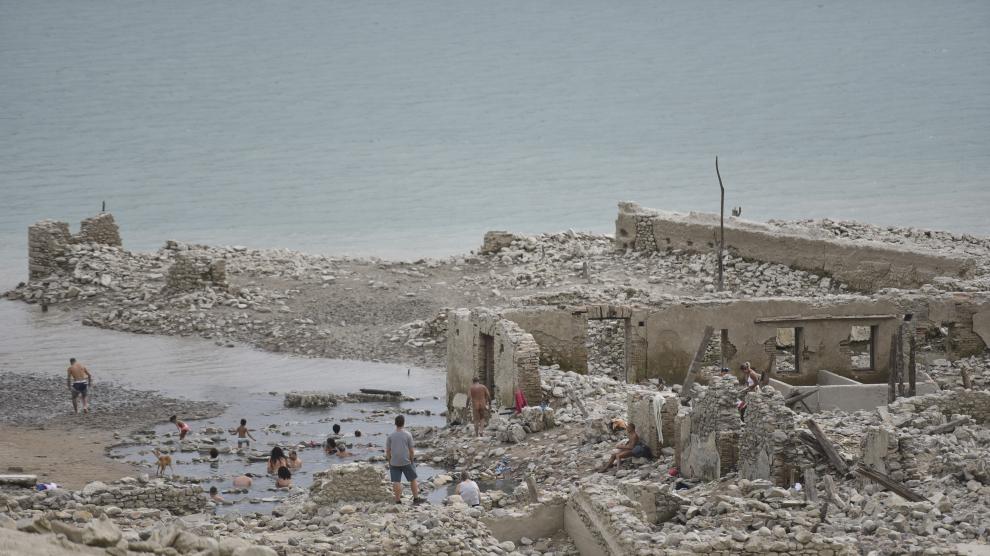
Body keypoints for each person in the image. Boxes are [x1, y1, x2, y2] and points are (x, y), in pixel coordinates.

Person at [385, 415, 424, 505]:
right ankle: (416, 498)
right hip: (406, 461)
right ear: (403, 423)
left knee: (396, 481)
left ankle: (398, 501)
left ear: (395, 423)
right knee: (413, 479)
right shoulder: (408, 434)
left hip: (394, 462)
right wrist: (412, 460)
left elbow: (387, 450)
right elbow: (411, 450)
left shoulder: (390, 436)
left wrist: (389, 460)